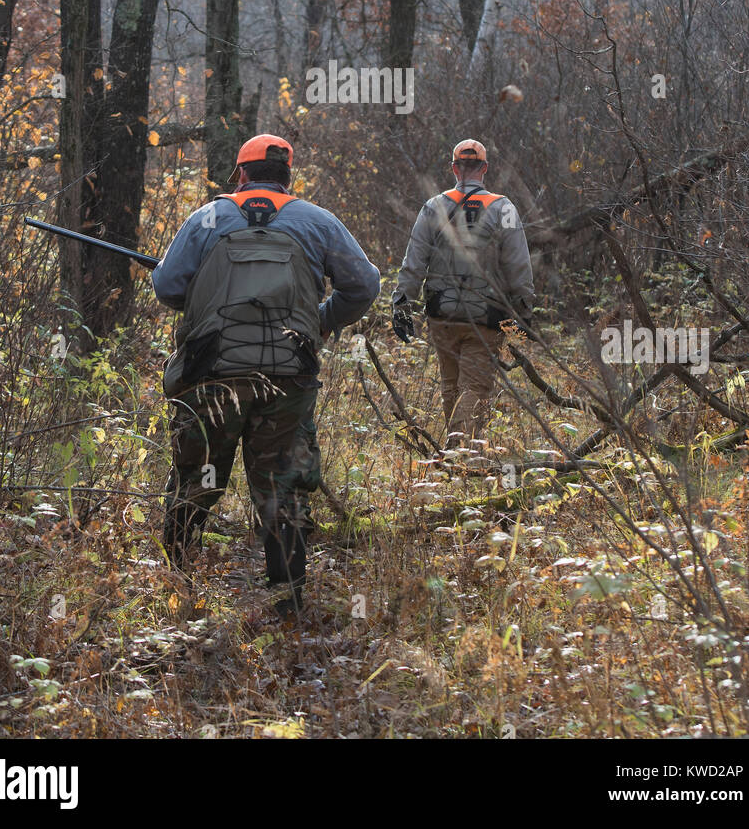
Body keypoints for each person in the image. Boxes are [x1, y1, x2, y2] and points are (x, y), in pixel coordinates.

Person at [152, 133, 379, 613]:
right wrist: (319, 320)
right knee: (283, 480)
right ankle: (289, 593)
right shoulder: (317, 221)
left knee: (199, 475)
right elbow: (365, 286)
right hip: (287, 375)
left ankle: (176, 584)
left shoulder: (207, 218)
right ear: (287, 175)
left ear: (241, 173)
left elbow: (168, 288)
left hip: (213, 374)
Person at [391, 138, 534, 445]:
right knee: (476, 388)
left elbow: (413, 262)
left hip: (442, 314)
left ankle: (457, 456)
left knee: (451, 386)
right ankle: (463, 456)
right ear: (484, 168)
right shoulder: (503, 207)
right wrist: (524, 311)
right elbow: (519, 265)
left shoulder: (433, 207)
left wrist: (402, 305)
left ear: (454, 168)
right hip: (486, 316)